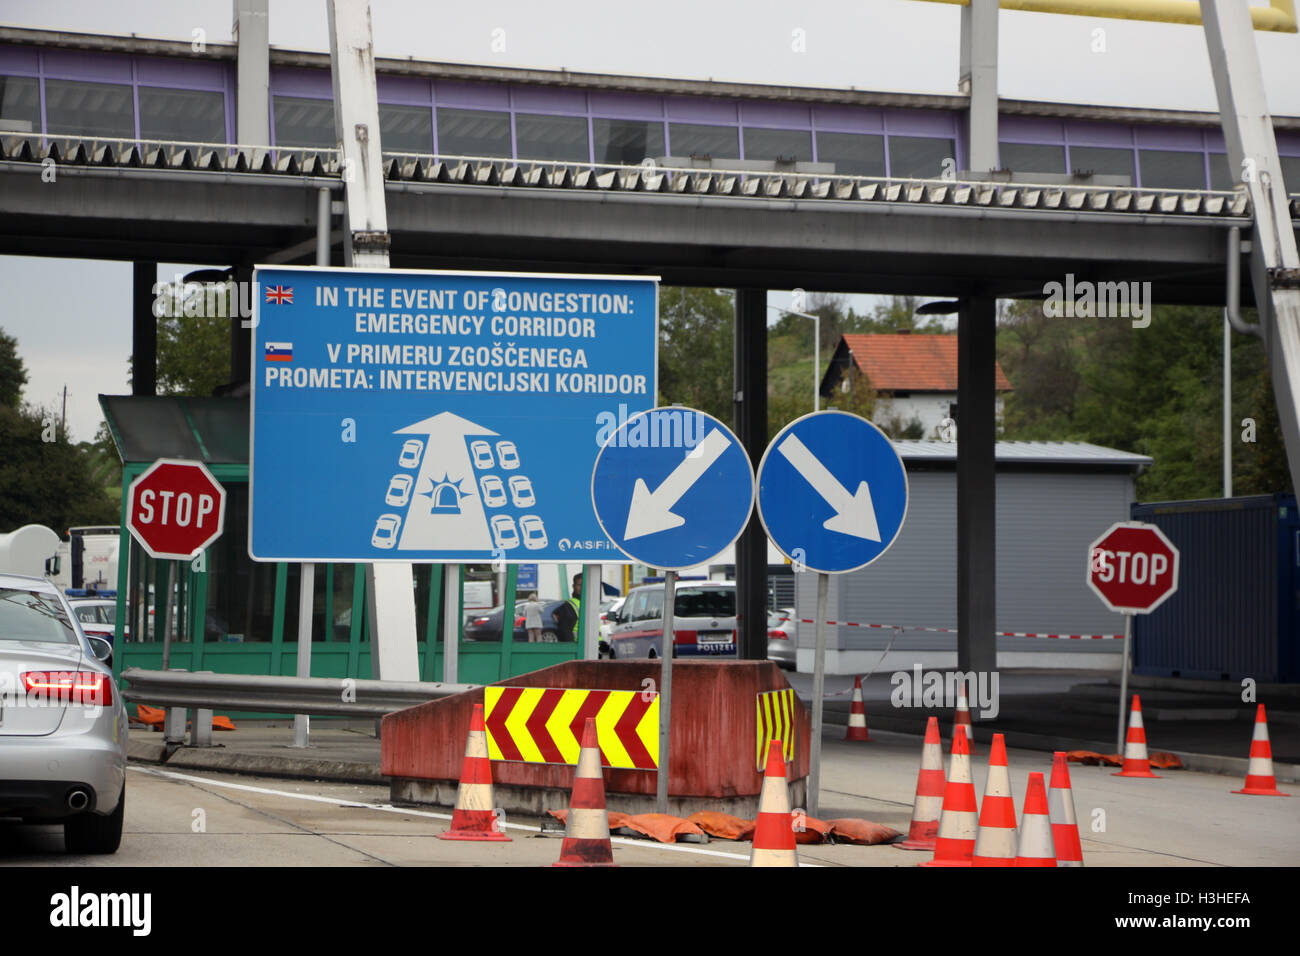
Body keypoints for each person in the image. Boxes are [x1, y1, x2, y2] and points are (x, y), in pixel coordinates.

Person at [551, 572, 582, 643]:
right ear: (573, 586)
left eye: (585, 585)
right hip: (579, 648)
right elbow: (565, 633)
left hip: (595, 649)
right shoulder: (569, 606)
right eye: (579, 585)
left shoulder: (590, 603)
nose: (582, 588)